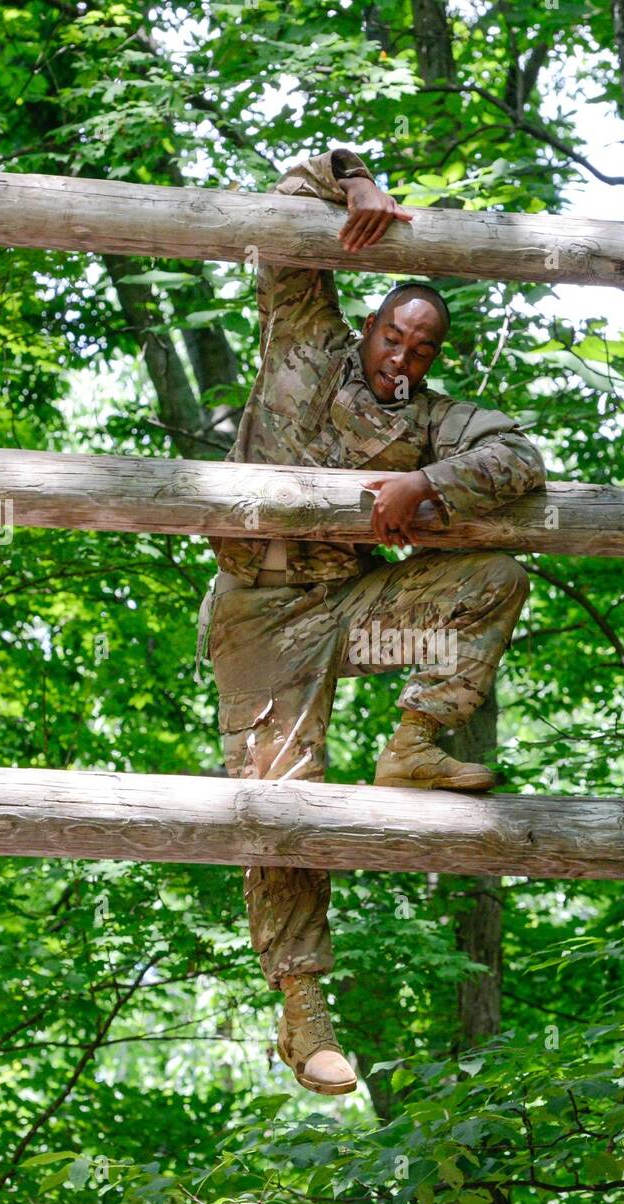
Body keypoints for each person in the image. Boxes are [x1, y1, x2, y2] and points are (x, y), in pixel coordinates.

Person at [196, 147, 545, 1096]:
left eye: (424, 348)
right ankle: (303, 1011)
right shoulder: (303, 338)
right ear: (370, 324)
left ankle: (418, 741)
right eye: (397, 337)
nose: (406, 357)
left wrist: (429, 480)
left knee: (495, 575)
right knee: (281, 806)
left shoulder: (431, 419)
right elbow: (285, 189)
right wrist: (356, 181)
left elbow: (518, 457)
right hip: (260, 619)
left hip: (354, 614)